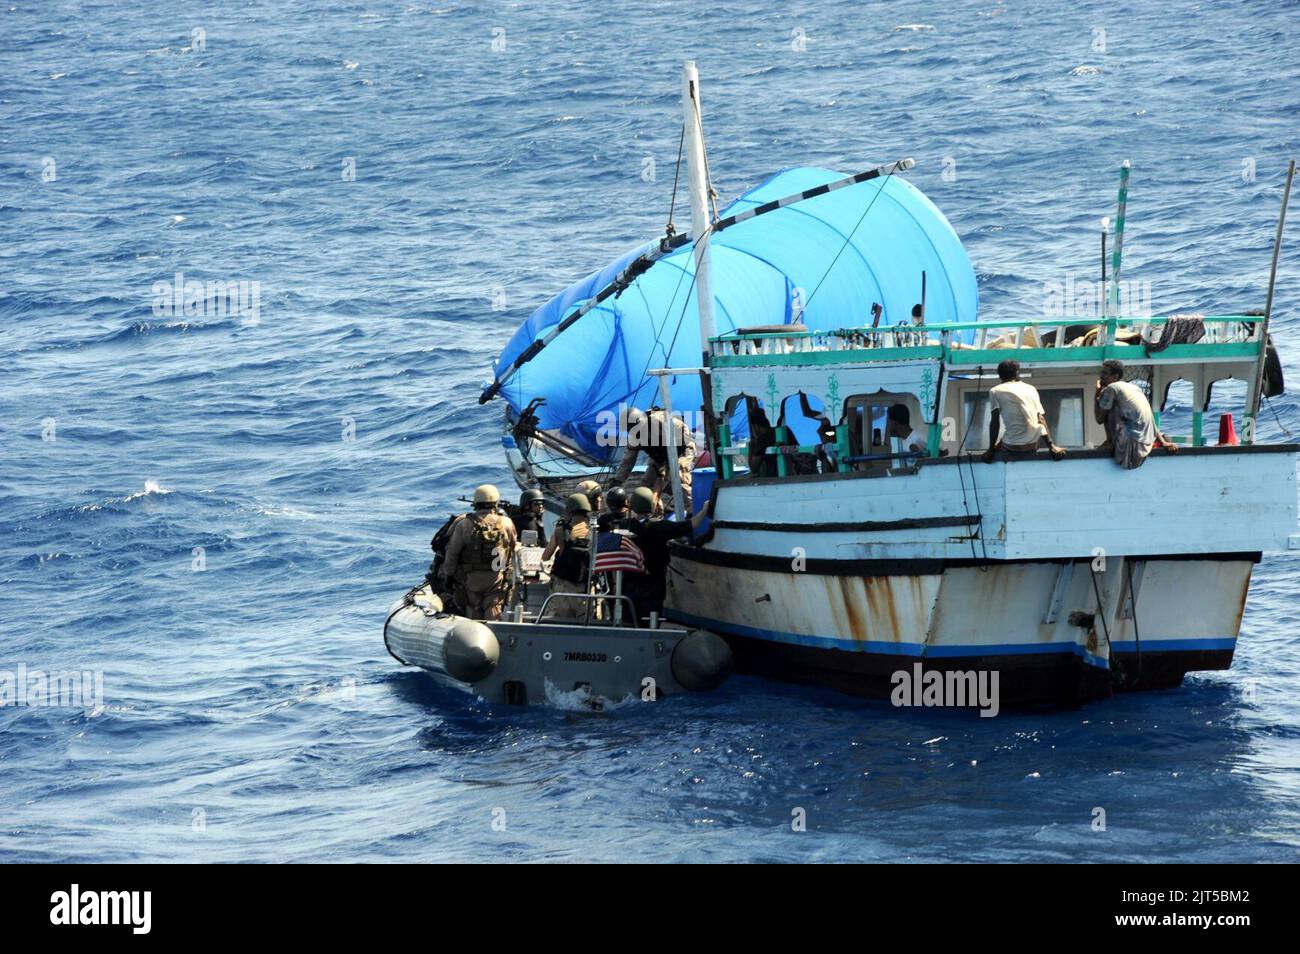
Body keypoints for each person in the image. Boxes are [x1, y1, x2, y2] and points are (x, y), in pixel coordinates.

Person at [619, 487, 711, 626]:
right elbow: (691, 525)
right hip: (653, 585)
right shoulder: (660, 528)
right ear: (651, 504)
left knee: (630, 623)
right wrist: (704, 510)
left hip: (629, 586)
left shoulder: (624, 526)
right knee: (651, 624)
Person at [439, 484, 517, 620]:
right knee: (493, 606)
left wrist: (448, 576)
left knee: (473, 607)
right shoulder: (506, 523)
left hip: (471, 578)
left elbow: (452, 553)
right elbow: (513, 547)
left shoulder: (464, 524)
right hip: (496, 576)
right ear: (496, 502)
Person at [608, 406, 696, 515]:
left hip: (682, 448)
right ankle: (654, 514)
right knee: (645, 487)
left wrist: (664, 475)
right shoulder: (635, 437)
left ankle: (692, 511)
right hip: (660, 457)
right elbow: (628, 461)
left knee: (678, 477)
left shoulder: (664, 422)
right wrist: (618, 481)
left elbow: (682, 443)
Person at [1096, 359, 1177, 469]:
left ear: (1115, 377)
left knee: (1110, 406)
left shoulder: (1112, 388)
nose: (1101, 376)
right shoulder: (1134, 387)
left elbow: (1099, 418)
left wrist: (1097, 393)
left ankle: (1110, 442)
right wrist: (1163, 442)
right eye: (1101, 372)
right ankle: (1111, 442)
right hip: (1146, 443)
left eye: (1105, 373)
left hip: (1130, 447)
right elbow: (1150, 419)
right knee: (1117, 404)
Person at [982, 360, 1067, 462]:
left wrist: (991, 449)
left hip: (1013, 446)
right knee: (1018, 433)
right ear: (1017, 372)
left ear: (999, 375)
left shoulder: (995, 391)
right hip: (1033, 443)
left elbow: (995, 423)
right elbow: (1040, 419)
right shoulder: (1031, 389)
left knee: (1002, 443)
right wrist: (1051, 446)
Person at [541, 493, 595, 619]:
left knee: (559, 625)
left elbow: (546, 556)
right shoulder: (593, 531)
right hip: (585, 589)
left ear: (569, 510)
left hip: (562, 589)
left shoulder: (560, 530)